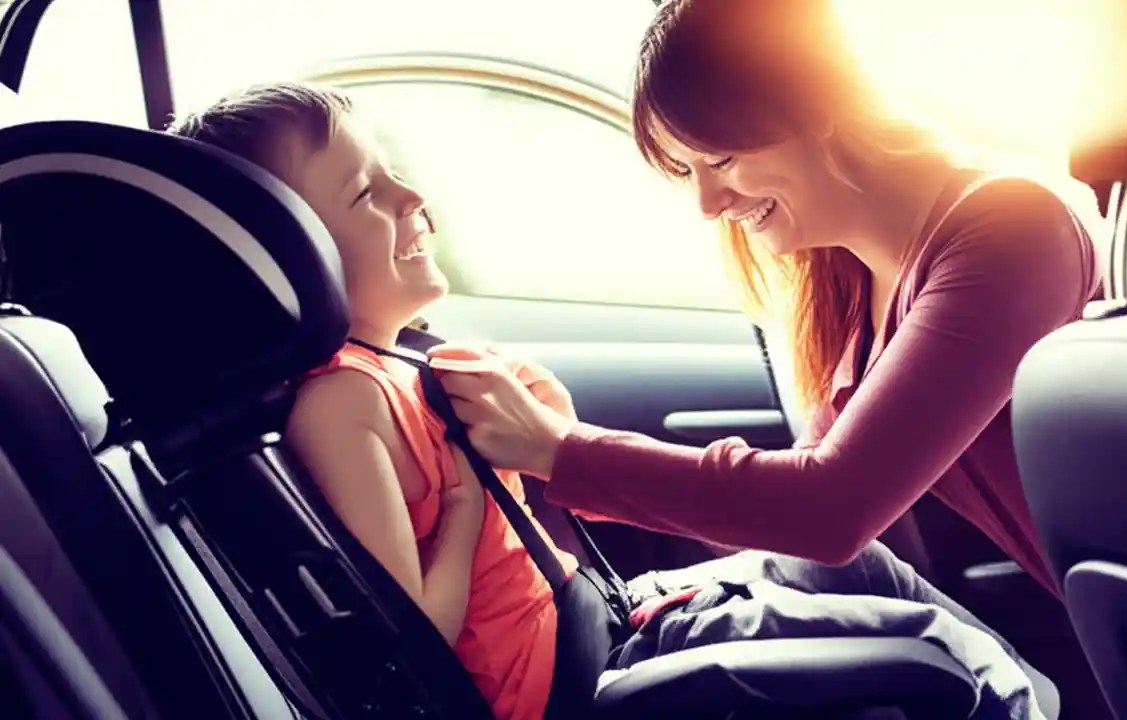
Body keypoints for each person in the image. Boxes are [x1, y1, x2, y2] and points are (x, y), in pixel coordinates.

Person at [169, 81, 1057, 720]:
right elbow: (414, 649)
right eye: (369, 192)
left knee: (858, 571)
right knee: (938, 662)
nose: (412, 196)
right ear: (286, 258)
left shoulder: (407, 364)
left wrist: (544, 433)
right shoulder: (343, 408)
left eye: (394, 171)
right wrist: (477, 502)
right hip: (575, 685)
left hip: (600, 618)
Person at [426, 0, 1104, 714]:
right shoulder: (854, 277)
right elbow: (802, 524)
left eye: (719, 160)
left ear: (820, 104)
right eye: (687, 170)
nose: (707, 203)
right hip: (1097, 620)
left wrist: (563, 451)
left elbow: (829, 508)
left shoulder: (1011, 230)